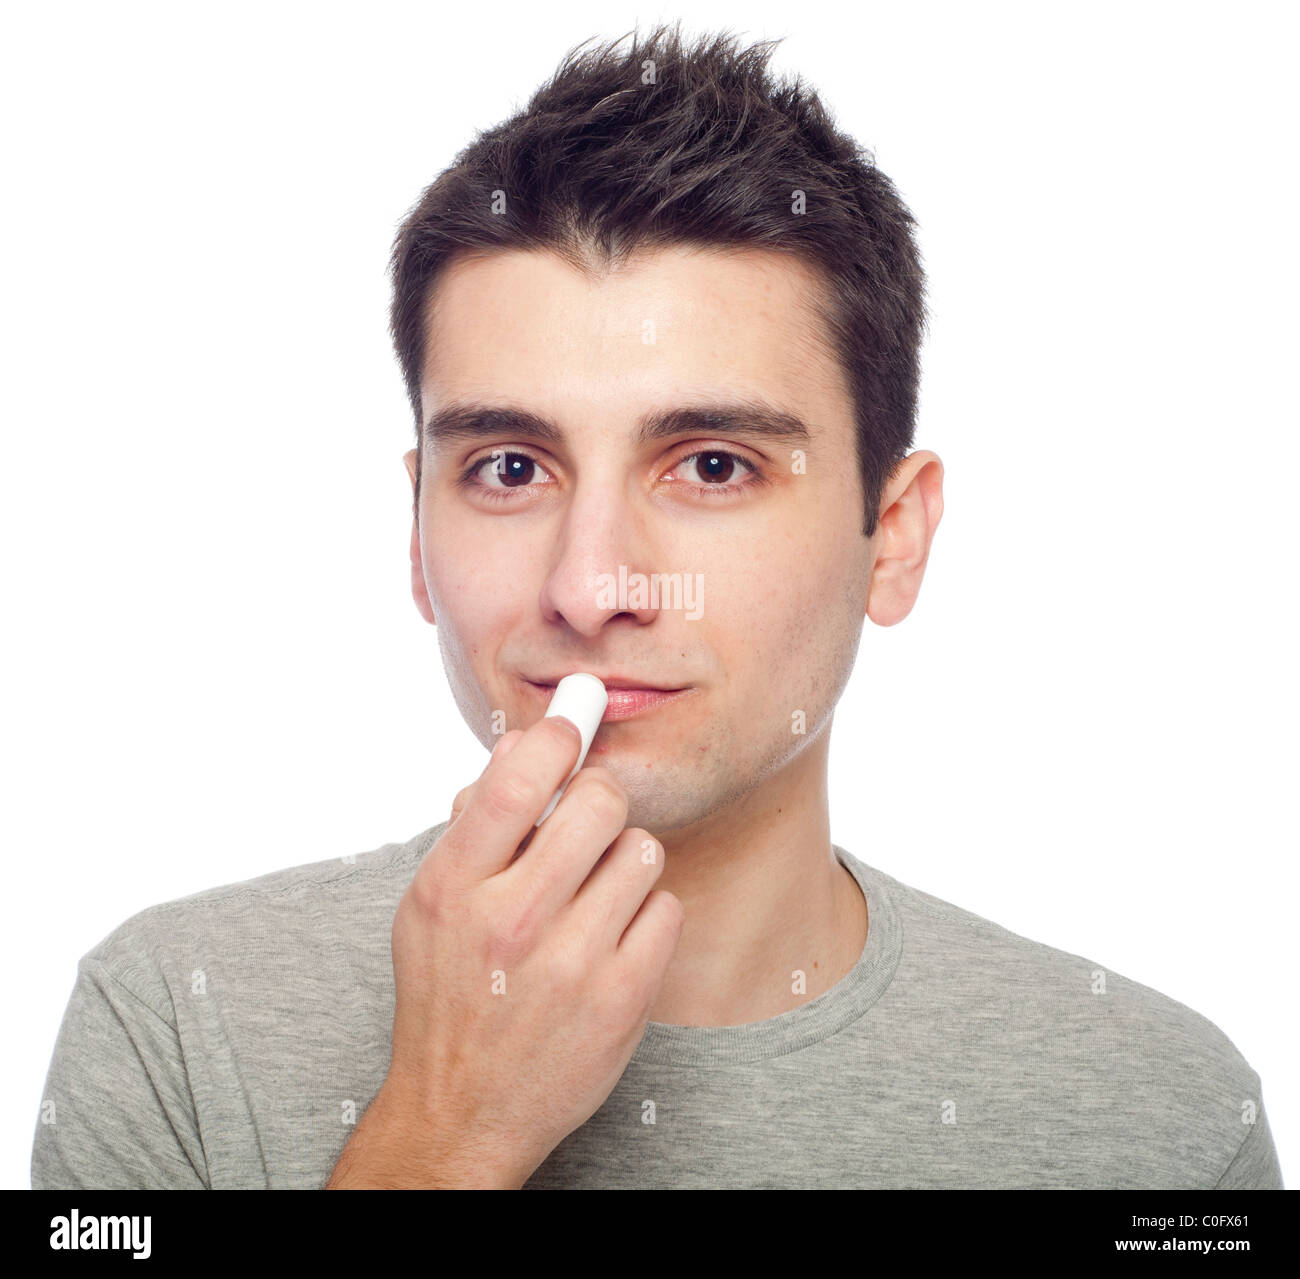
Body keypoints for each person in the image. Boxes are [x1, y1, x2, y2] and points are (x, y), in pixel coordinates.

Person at [31, 22, 1282, 1190]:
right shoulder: (172, 1030)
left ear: (891, 539)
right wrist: (444, 1130)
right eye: (509, 470)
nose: (591, 589)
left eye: (714, 466)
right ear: (417, 533)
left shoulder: (1155, 1120)